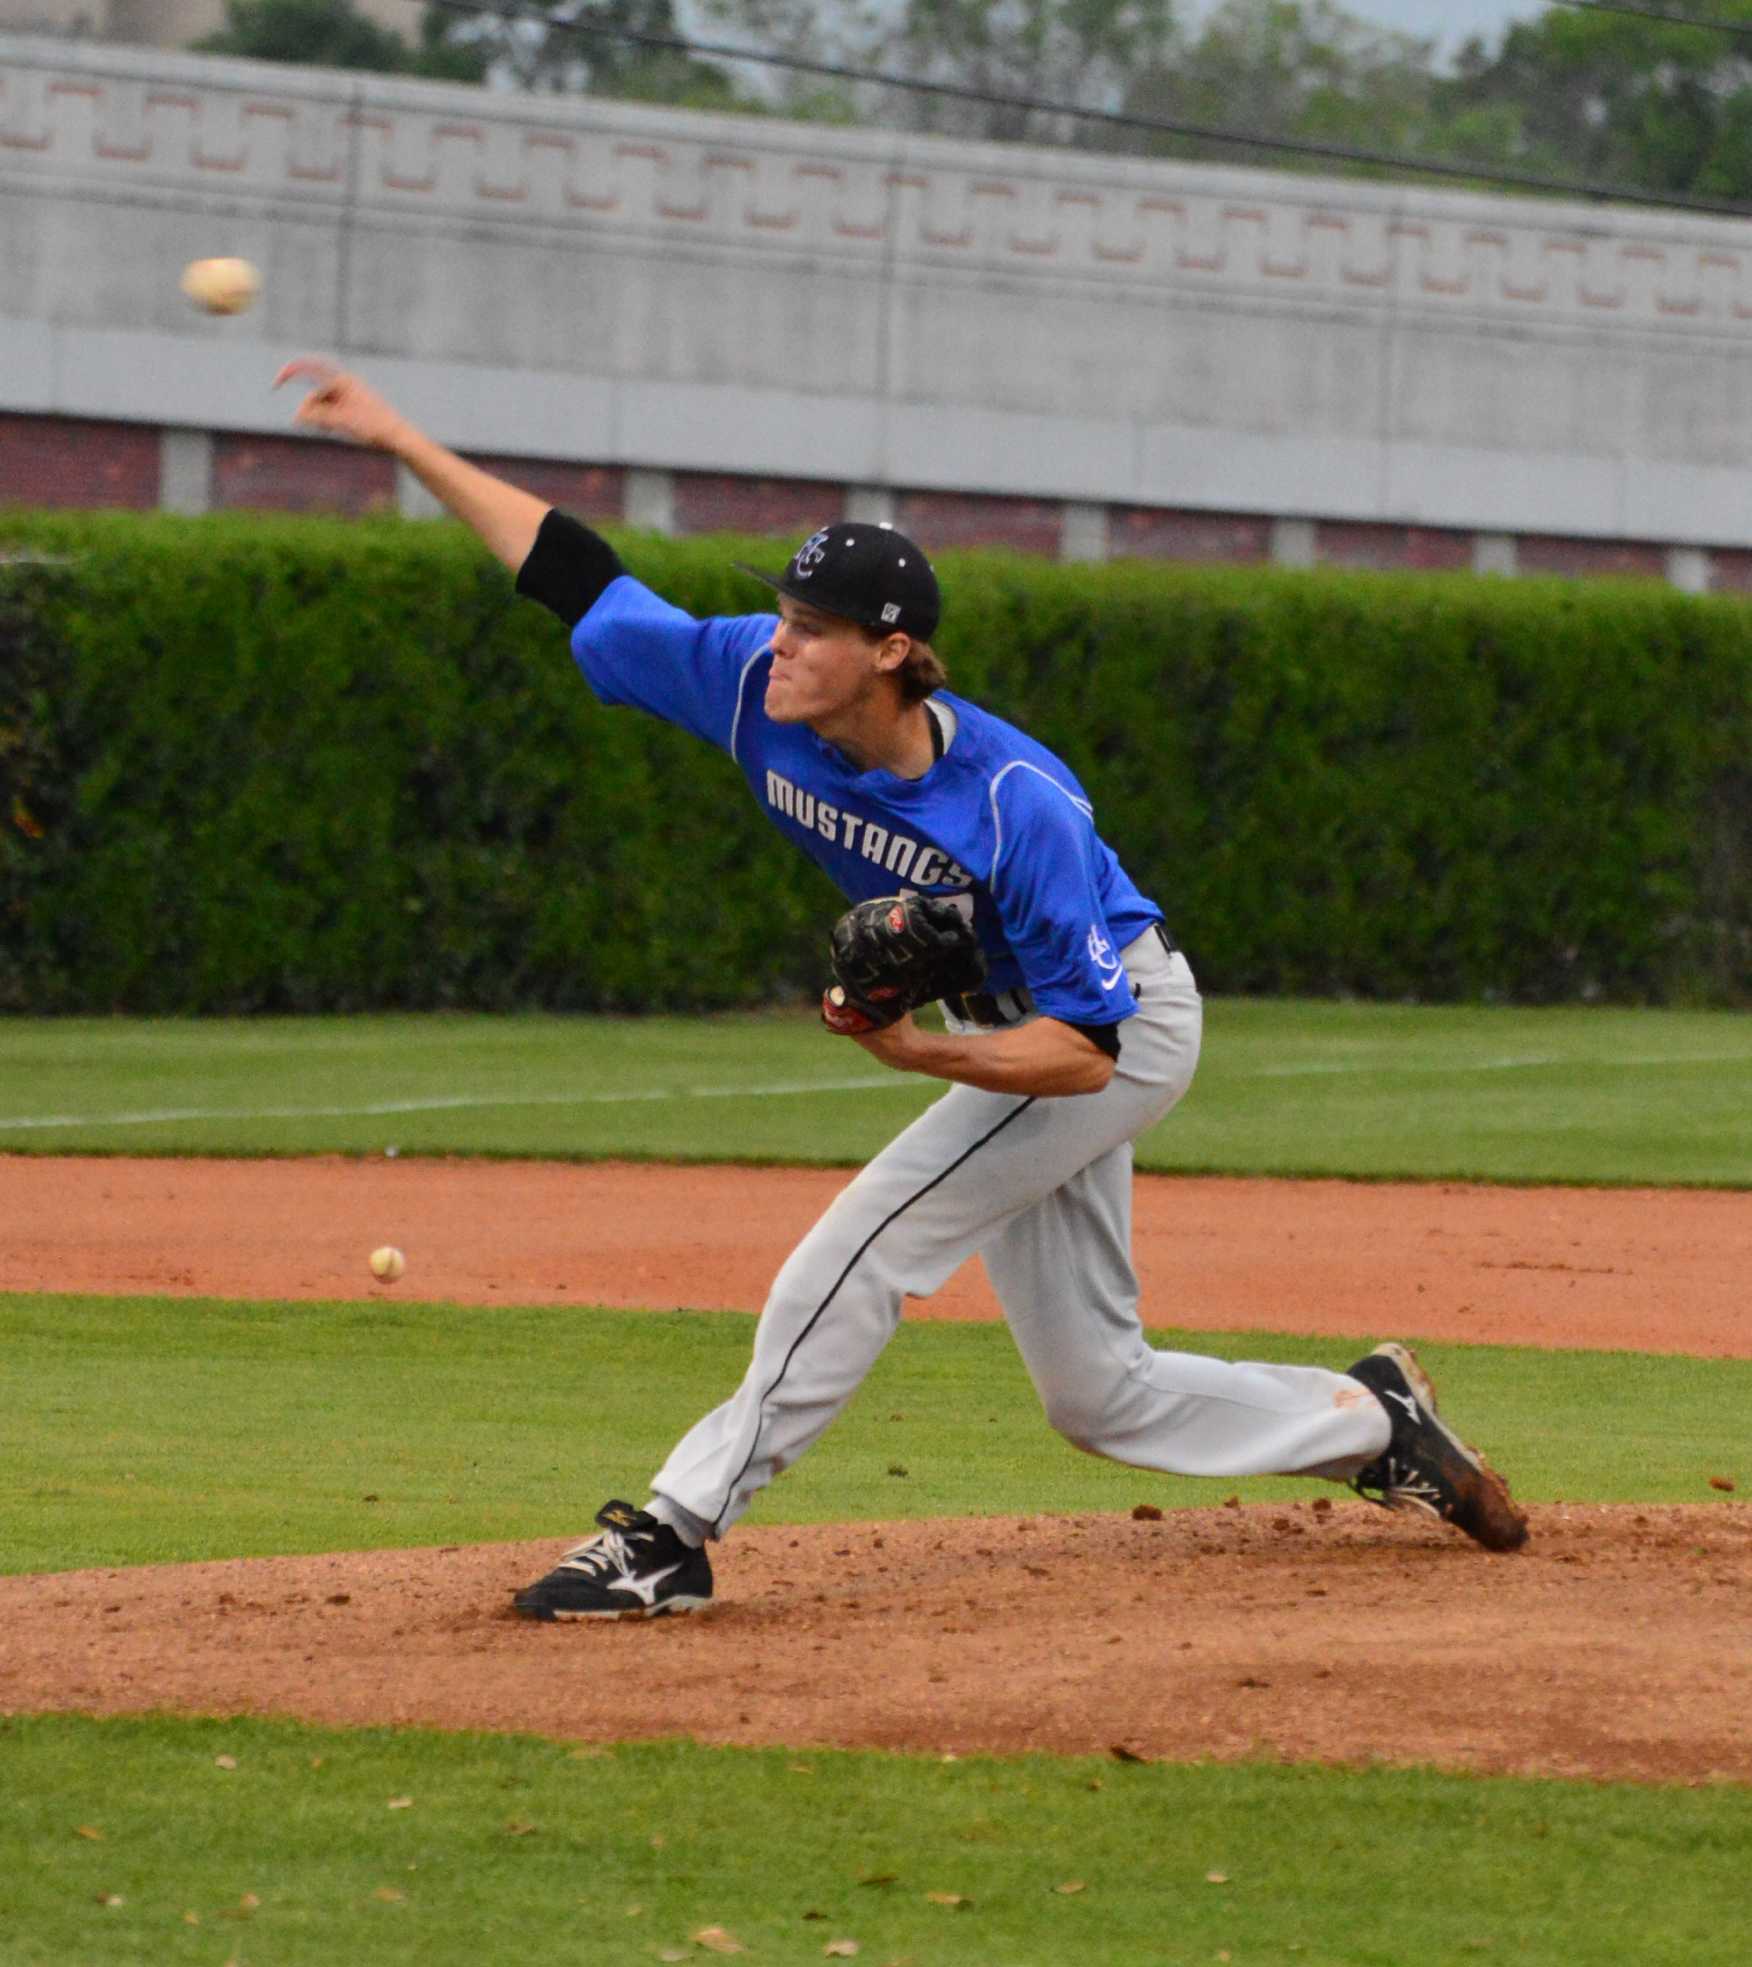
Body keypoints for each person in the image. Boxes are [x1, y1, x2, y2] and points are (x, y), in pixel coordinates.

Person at [275, 358, 1529, 1618]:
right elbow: (576, 576)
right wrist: (401, 439)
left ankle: (674, 1532)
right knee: (1097, 1394)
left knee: (866, 1244)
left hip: (1112, 1025)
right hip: (1021, 1028)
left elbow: (1087, 1050)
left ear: (890, 652)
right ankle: (1375, 1420)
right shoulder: (745, 684)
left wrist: (914, 1054)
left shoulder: (1011, 802)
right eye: (781, 612)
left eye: (811, 627)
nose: (780, 640)